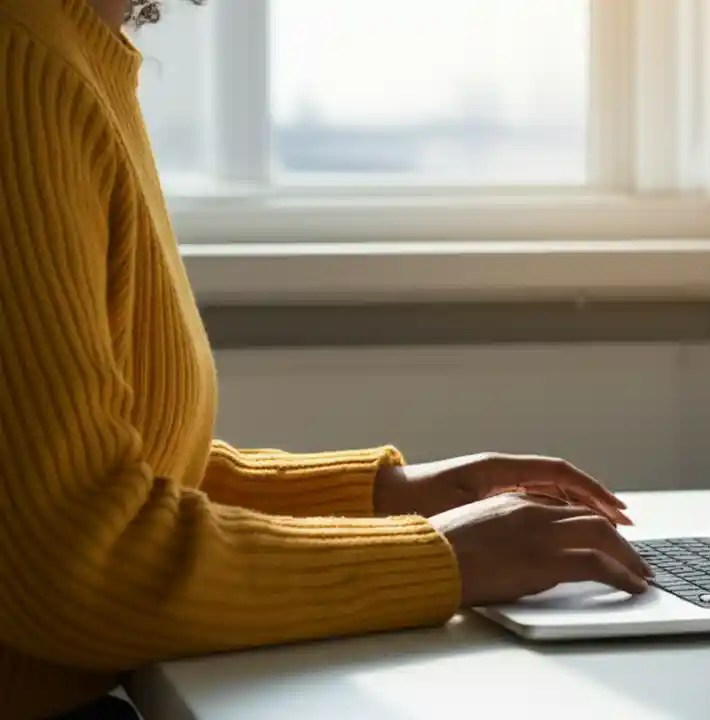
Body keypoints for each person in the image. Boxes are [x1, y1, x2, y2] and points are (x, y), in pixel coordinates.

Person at [0, 1, 651, 717]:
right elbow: (73, 558)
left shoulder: (72, 49)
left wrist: (387, 497)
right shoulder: (21, 63)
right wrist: (440, 556)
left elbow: (112, 474)